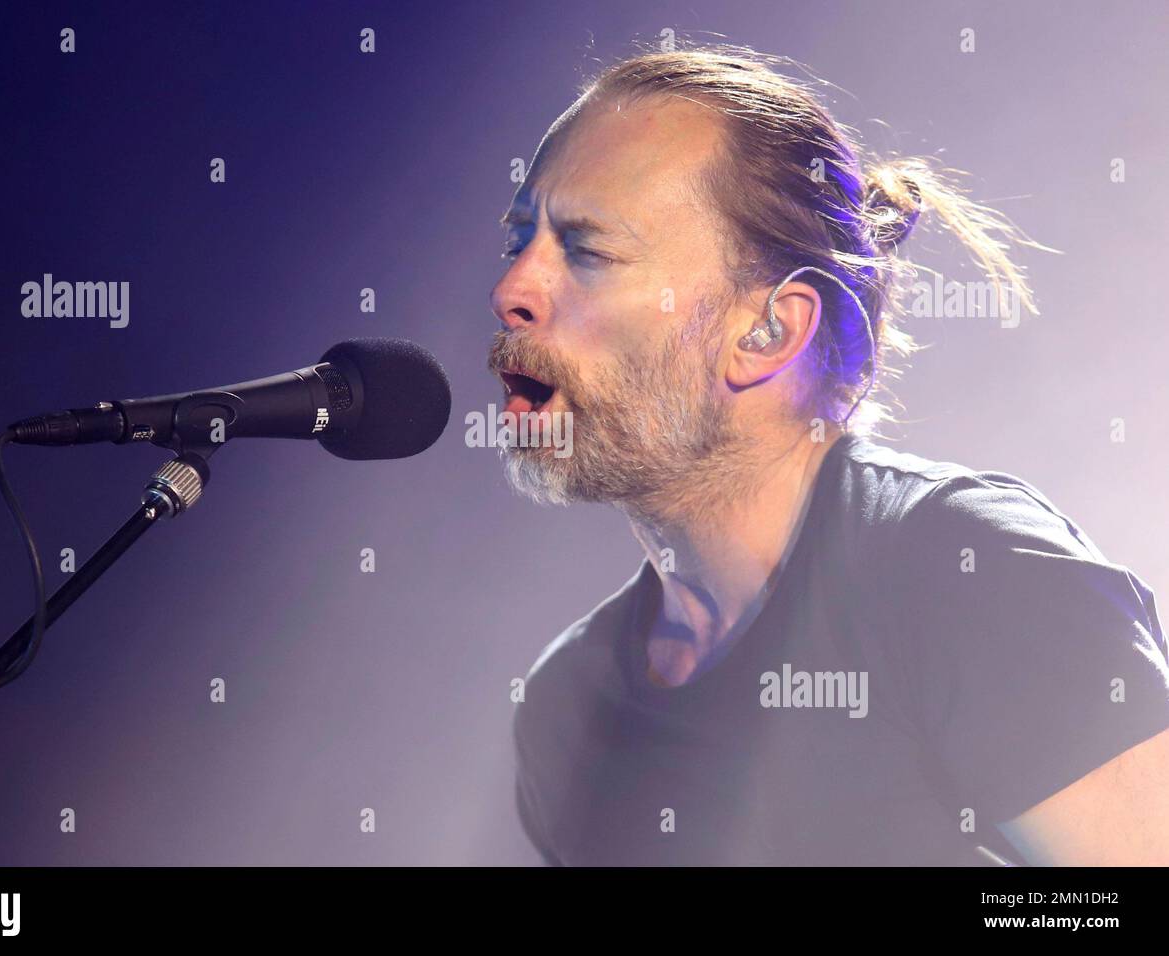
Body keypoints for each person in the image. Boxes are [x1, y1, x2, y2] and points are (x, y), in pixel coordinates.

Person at [488, 43, 1169, 865]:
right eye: (519, 241)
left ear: (769, 330)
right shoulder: (566, 705)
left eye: (586, 251)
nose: (512, 291)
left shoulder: (973, 571)